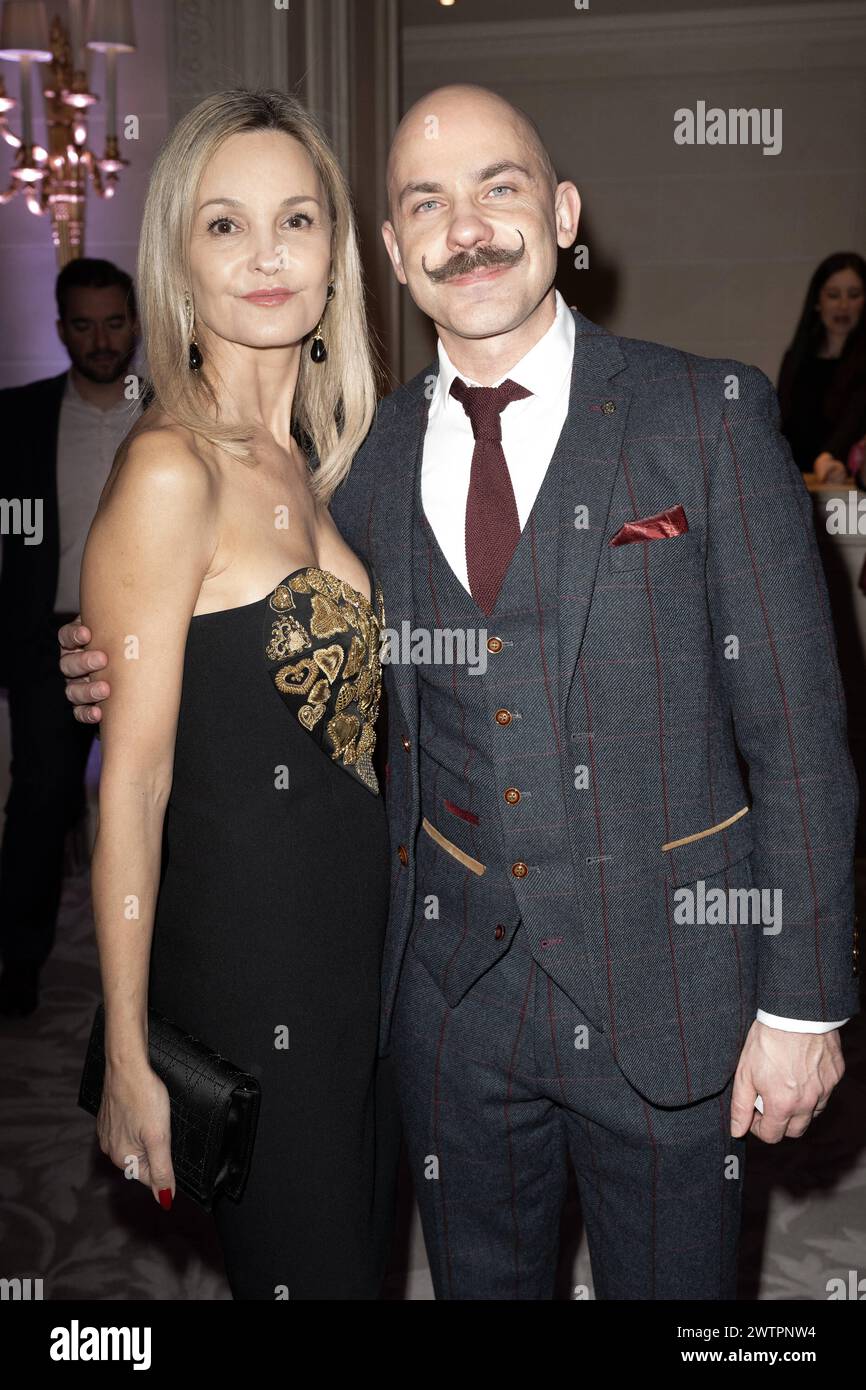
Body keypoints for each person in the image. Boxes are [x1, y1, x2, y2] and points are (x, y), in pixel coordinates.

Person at [60, 84, 860, 1301]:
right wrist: (106, 667)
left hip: (670, 1001)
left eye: (499, 188)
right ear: (388, 250)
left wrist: (802, 1001)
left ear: (564, 212)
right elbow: (227, 670)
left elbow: (798, 731)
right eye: (425, 202)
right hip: (439, 1015)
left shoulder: (703, 412)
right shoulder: (365, 464)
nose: (467, 227)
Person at [57, 89, 400, 1299]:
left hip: (358, 966)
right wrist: (132, 1051)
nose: (266, 254)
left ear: (330, 259)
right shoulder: (168, 467)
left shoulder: (318, 465)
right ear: (178, 260)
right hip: (255, 976)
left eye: (296, 220)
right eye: (225, 224)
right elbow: (132, 785)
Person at [0, 259, 141, 1016]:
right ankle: (17, 967)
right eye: (83, 324)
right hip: (45, 642)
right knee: (40, 803)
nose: (101, 339)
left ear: (137, 322)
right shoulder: (17, 418)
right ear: (61, 330)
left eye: (114, 321)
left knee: (169, 802)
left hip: (153, 640)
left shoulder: (169, 412)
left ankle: (170, 972)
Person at [777, 251, 866, 481]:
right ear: (818, 301)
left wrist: (829, 457)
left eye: (854, 295)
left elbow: (855, 417)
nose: (843, 305)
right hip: (798, 482)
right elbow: (782, 423)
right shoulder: (796, 358)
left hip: (847, 485)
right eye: (834, 295)